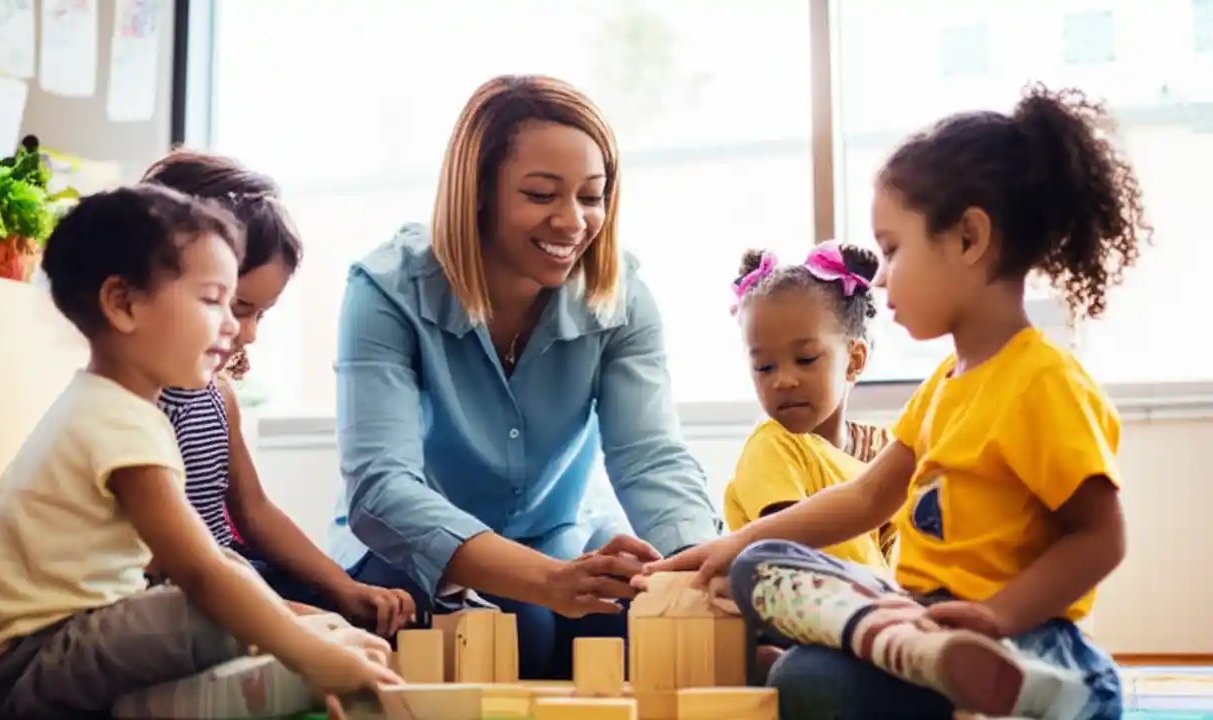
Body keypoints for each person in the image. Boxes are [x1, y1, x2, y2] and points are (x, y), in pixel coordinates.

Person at [645, 84, 1148, 720]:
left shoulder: (1043, 381)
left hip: (1028, 641)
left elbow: (1101, 537)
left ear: (968, 238)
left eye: (892, 250)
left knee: (809, 650)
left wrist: (995, 617)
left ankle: (1011, 689)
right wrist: (730, 545)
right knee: (769, 591)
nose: (880, 278)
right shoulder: (943, 386)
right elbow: (864, 499)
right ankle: (918, 658)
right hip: (924, 630)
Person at [0, 185, 400, 718]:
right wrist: (309, 651)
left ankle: (189, 696)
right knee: (216, 599)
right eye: (213, 300)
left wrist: (297, 628)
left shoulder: (119, 408)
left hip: (60, 645)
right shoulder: (116, 421)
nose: (232, 324)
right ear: (124, 304)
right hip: (23, 665)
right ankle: (228, 689)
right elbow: (198, 572)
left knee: (235, 583)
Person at [329, 74, 721, 680]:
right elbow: (381, 489)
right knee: (522, 637)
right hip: (412, 557)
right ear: (477, 193)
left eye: (592, 197)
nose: (572, 223)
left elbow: (651, 458)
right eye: (541, 195)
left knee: (641, 633)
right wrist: (546, 582)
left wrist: (696, 567)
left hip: (559, 542)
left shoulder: (622, 298)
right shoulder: (386, 289)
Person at [143, 150, 416, 637]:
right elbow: (161, 567)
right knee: (328, 634)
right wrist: (305, 620)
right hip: (176, 590)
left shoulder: (217, 396)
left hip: (232, 571)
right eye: (236, 306)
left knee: (376, 617)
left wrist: (341, 588)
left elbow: (254, 511)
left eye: (258, 314)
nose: (246, 332)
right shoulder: (139, 406)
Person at [724, 241, 893, 568]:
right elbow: (791, 556)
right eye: (764, 367)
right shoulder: (773, 445)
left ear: (854, 360)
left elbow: (903, 552)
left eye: (805, 359)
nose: (783, 380)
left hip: (887, 604)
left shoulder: (884, 451)